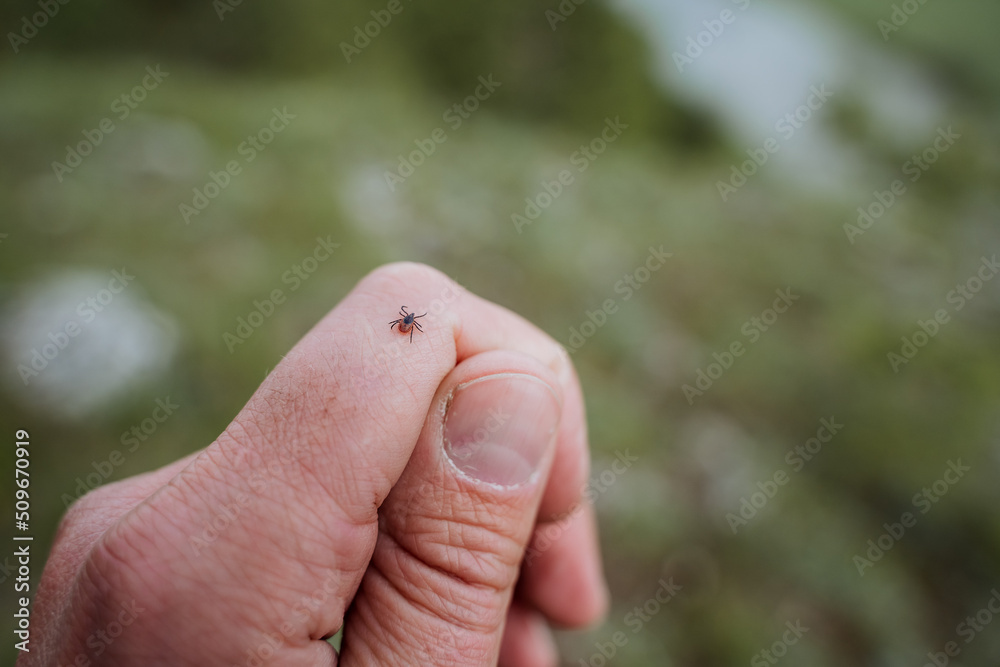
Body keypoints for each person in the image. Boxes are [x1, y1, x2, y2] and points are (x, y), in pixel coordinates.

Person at [24, 263, 608, 666]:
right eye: (407, 323)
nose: (407, 325)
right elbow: (409, 321)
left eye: (408, 323)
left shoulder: (408, 322)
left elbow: (408, 320)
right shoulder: (409, 324)